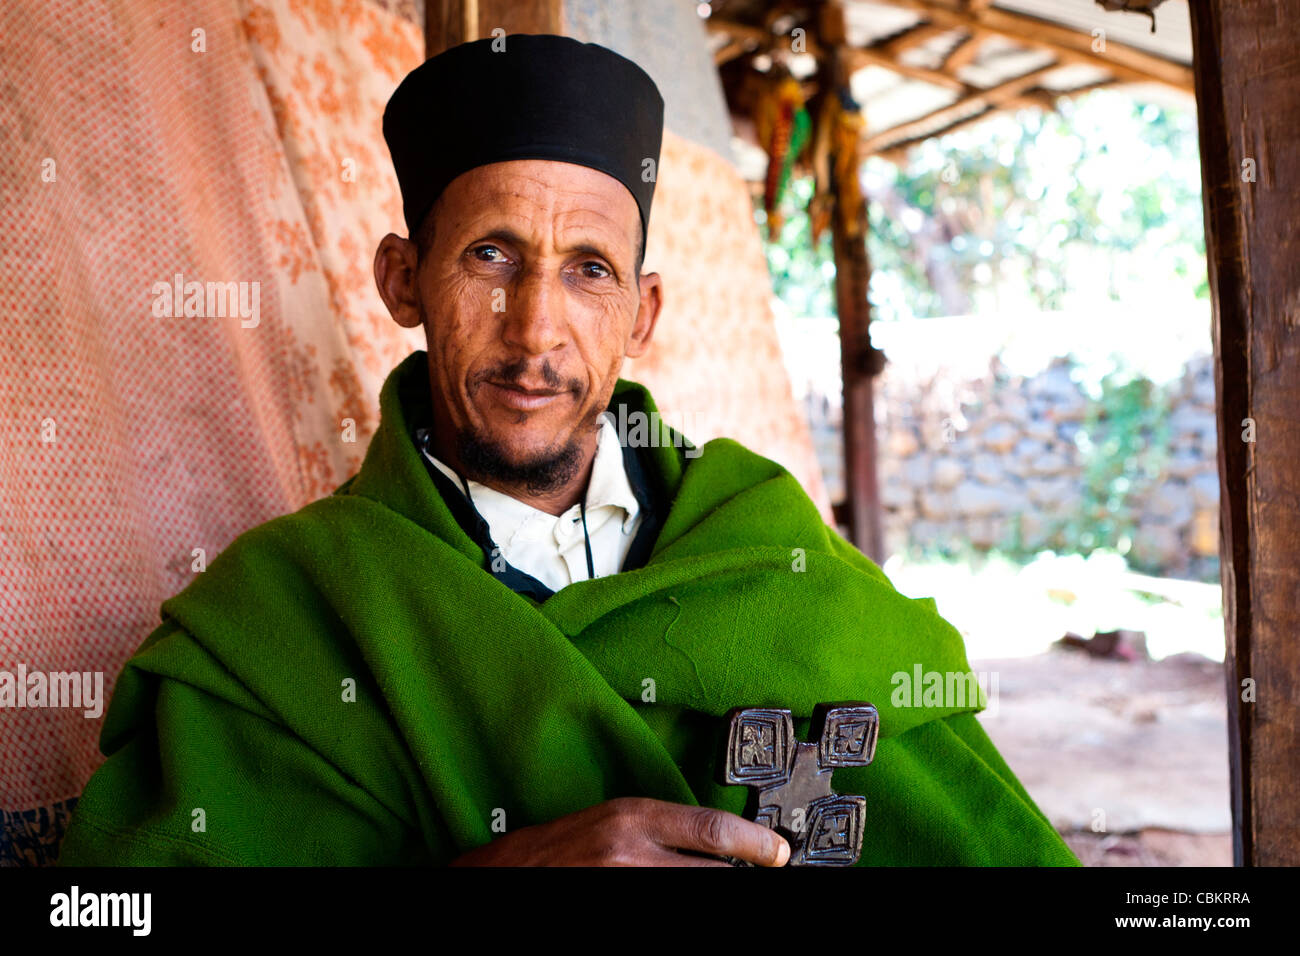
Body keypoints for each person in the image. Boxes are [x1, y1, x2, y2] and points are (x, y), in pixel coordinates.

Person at [59, 34, 1078, 867]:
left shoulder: (767, 547)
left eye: (589, 268)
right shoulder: (290, 611)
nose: (535, 328)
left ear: (642, 311)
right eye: (490, 255)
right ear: (404, 281)